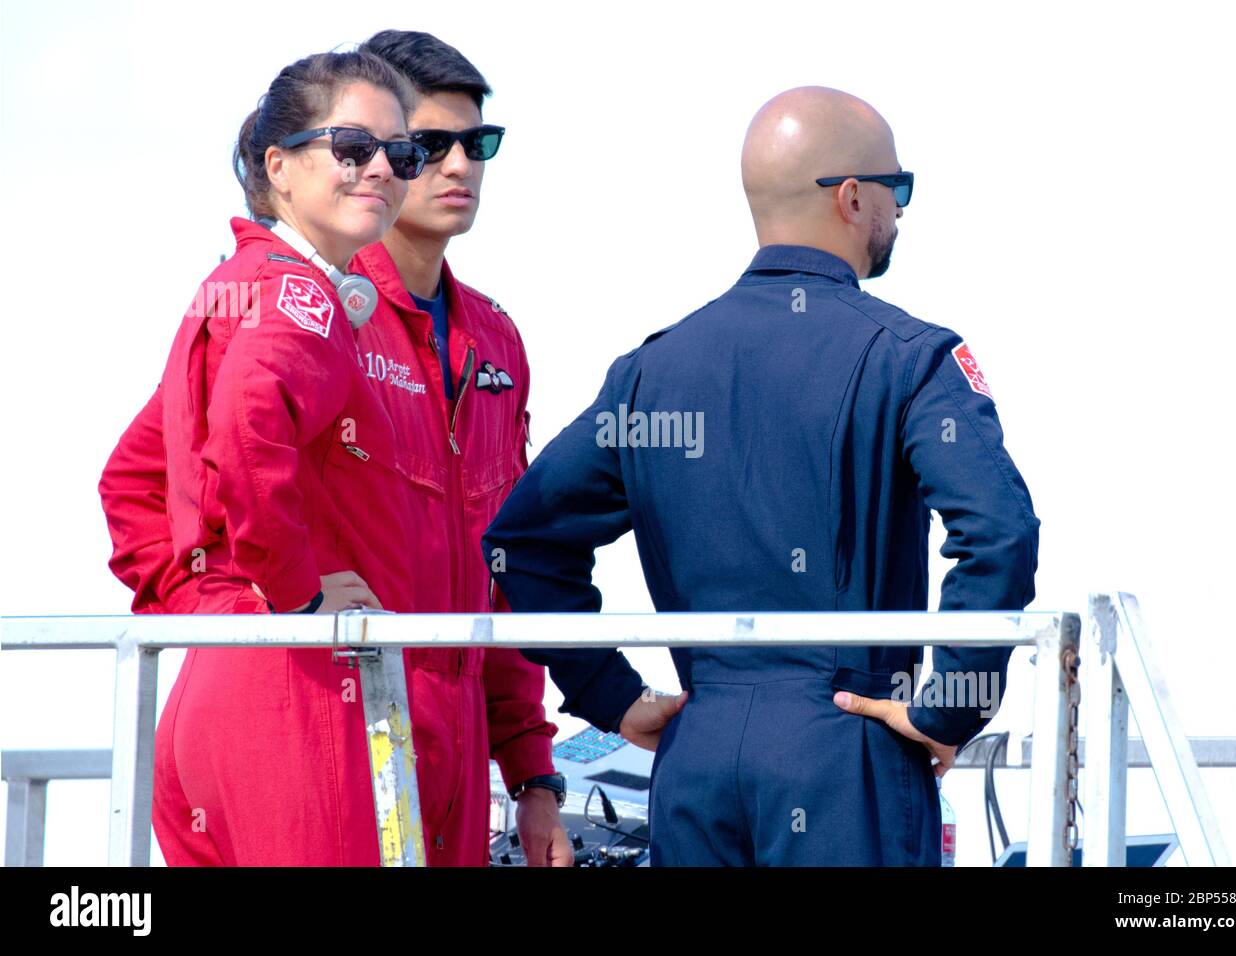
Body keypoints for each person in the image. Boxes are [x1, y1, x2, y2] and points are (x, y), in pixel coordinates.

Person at [482, 86, 1041, 866]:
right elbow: (1000, 531)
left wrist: (613, 696)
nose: (901, 212)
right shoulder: (911, 359)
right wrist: (950, 705)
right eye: (897, 189)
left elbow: (521, 541)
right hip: (846, 751)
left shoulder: (652, 370)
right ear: (851, 197)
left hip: (697, 753)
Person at [99, 33, 565, 866]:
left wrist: (531, 773)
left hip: (434, 729)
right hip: (318, 709)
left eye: (477, 143)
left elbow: (497, 562)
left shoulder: (495, 341)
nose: (447, 164)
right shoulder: (301, 298)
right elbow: (141, 485)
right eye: (420, 144)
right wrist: (253, 615)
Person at [103, 49, 436, 865]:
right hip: (297, 703)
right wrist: (289, 600)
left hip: (218, 699)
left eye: (402, 154)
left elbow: (132, 480)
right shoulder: (296, 293)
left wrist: (215, 611)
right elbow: (253, 431)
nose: (382, 172)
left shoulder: (242, 284)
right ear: (279, 165)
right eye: (352, 148)